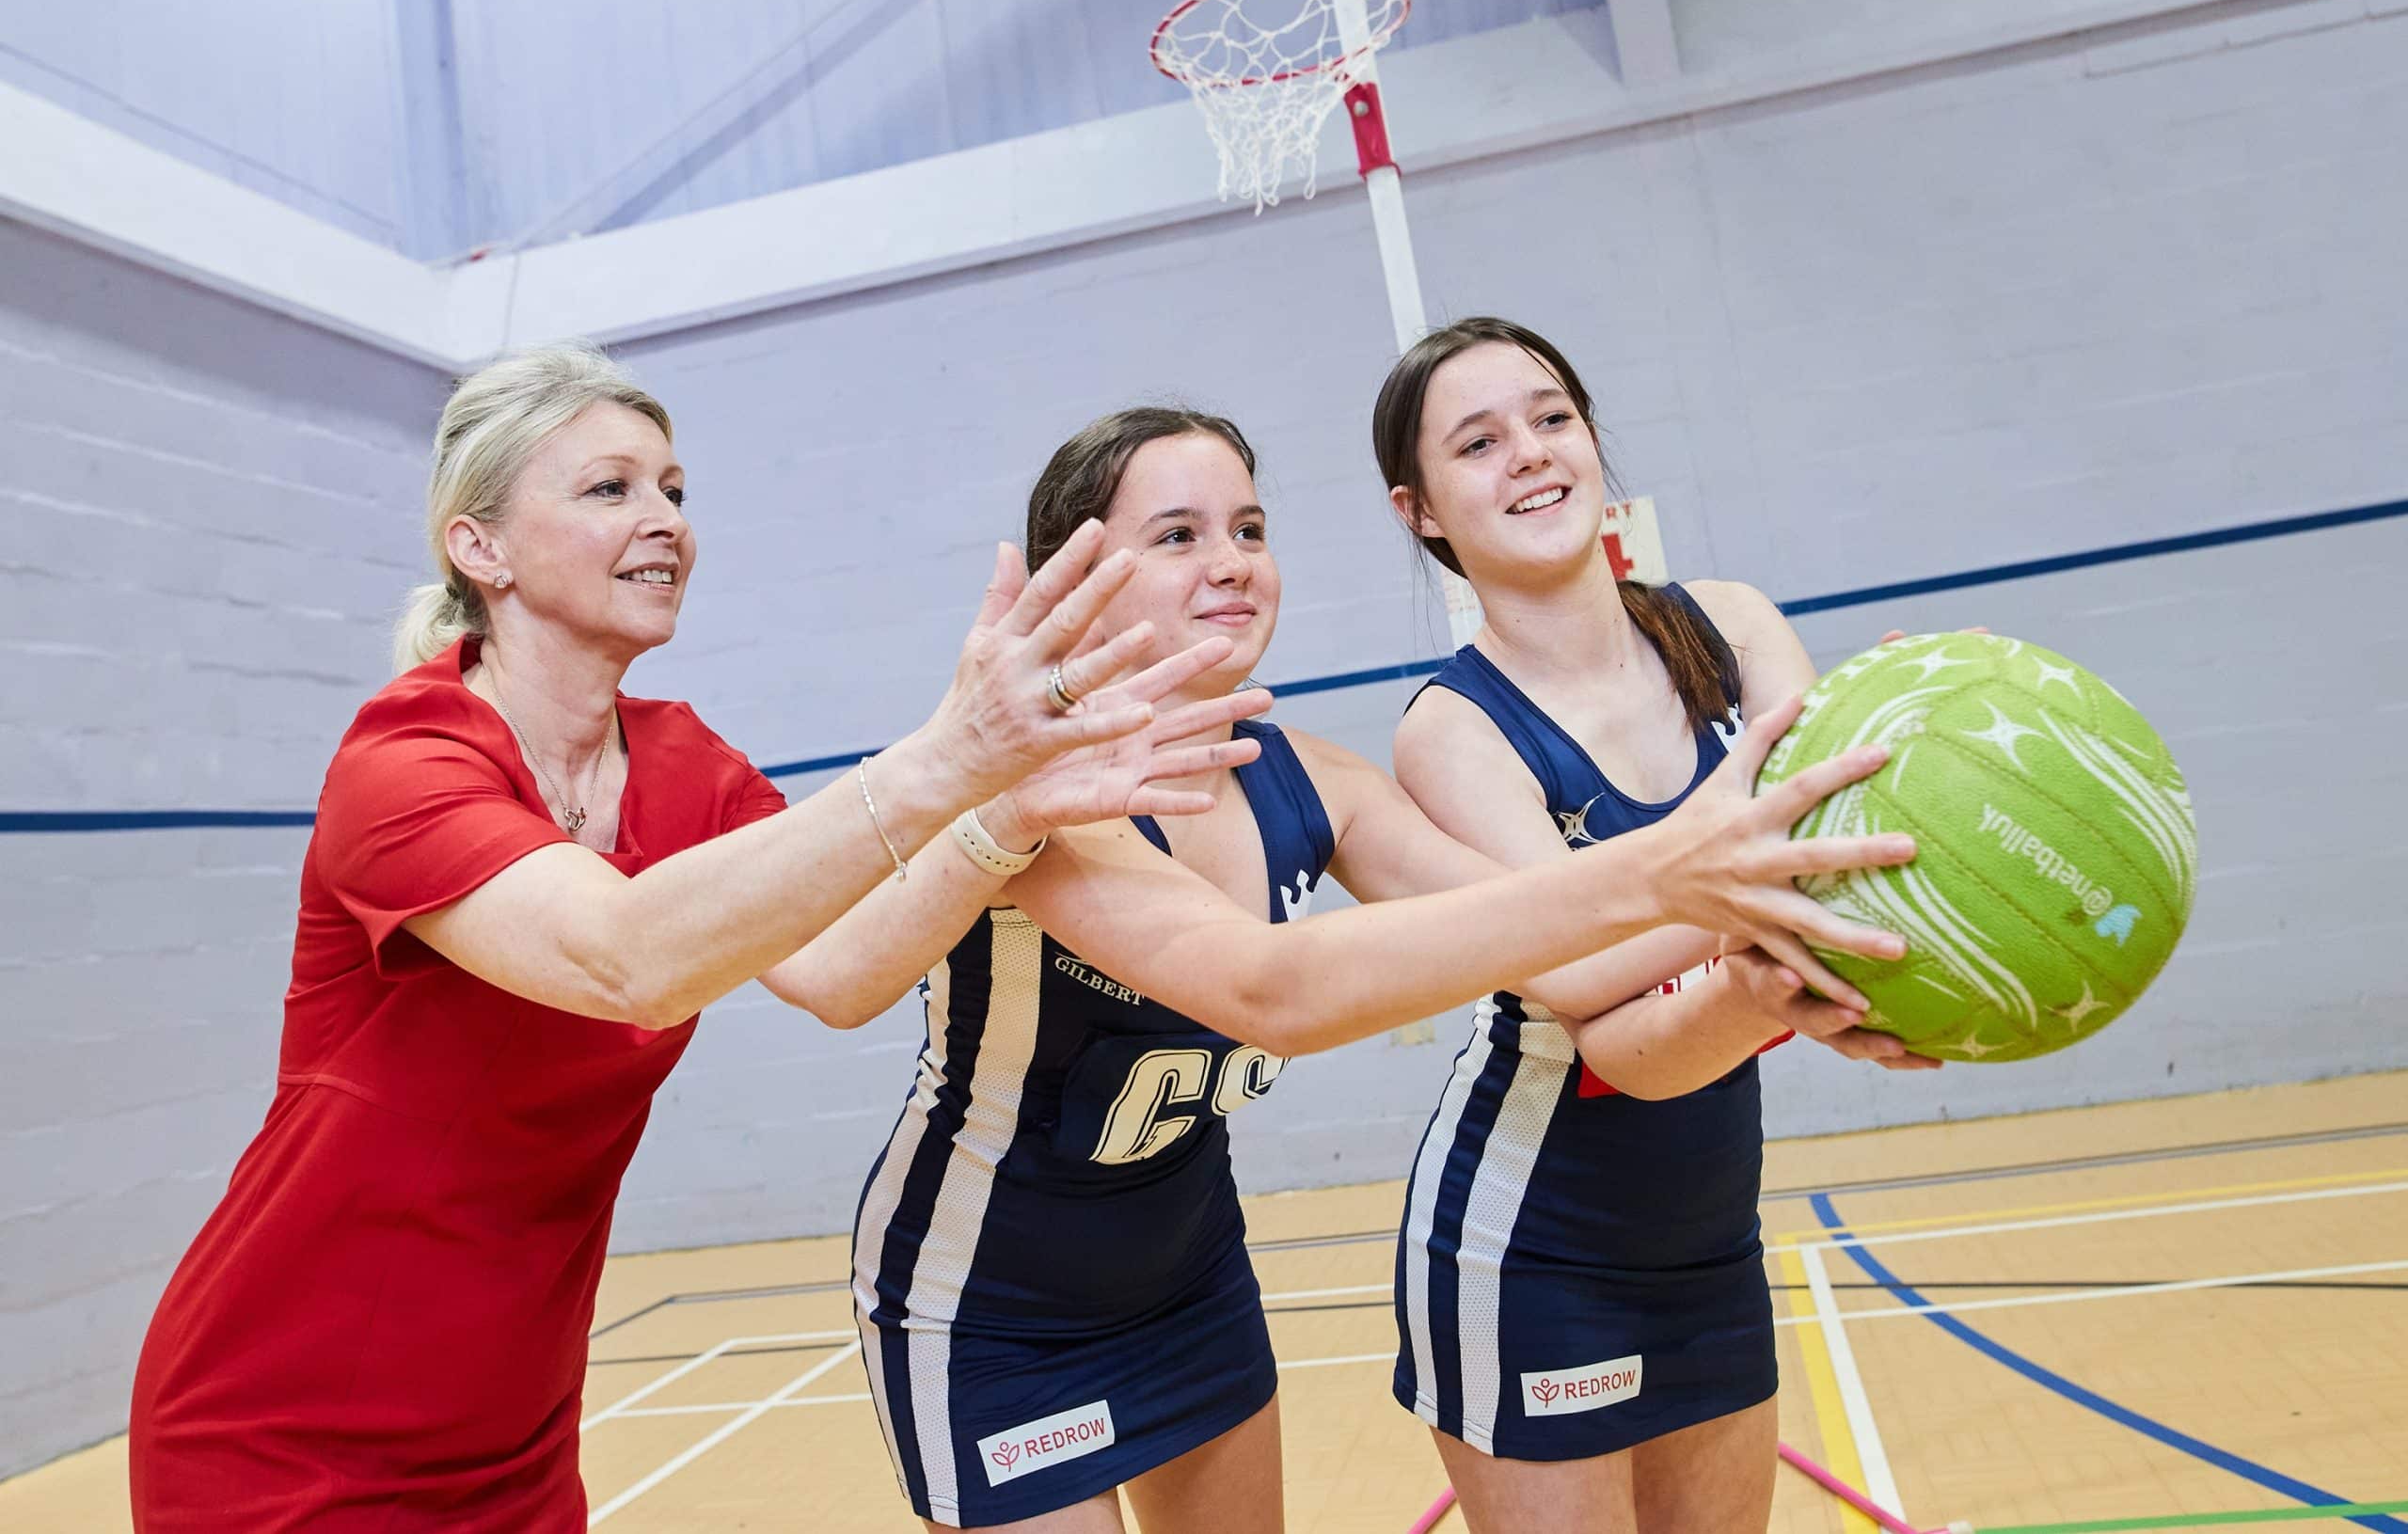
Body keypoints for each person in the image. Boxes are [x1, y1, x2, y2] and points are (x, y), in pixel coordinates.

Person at [126, 343, 1272, 1532]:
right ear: (481, 548)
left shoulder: (686, 766)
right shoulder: (404, 764)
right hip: (279, 1428)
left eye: (674, 489)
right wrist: (948, 761)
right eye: (610, 489)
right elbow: (626, 959)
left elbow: (840, 972)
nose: (664, 518)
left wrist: (1010, 806)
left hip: (508, 1436)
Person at [767, 405, 1919, 1531]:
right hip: (989, 1313)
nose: (1230, 563)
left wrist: (1785, 908)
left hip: (1191, 1281)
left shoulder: (1309, 780)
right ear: (1080, 585)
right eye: (1179, 536)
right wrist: (1687, 866)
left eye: (1250, 530)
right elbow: (1273, 990)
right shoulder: (1052, 801)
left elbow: (1563, 952)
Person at [1373, 316, 1938, 1534]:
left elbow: (1841, 863)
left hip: (1710, 1239)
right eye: (1480, 441)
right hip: (1530, 1246)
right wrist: (1768, 898)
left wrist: (1925, 764)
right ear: (1422, 509)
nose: (1529, 452)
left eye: (1551, 417)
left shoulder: (1729, 625)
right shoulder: (1452, 730)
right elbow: (1592, 1000)